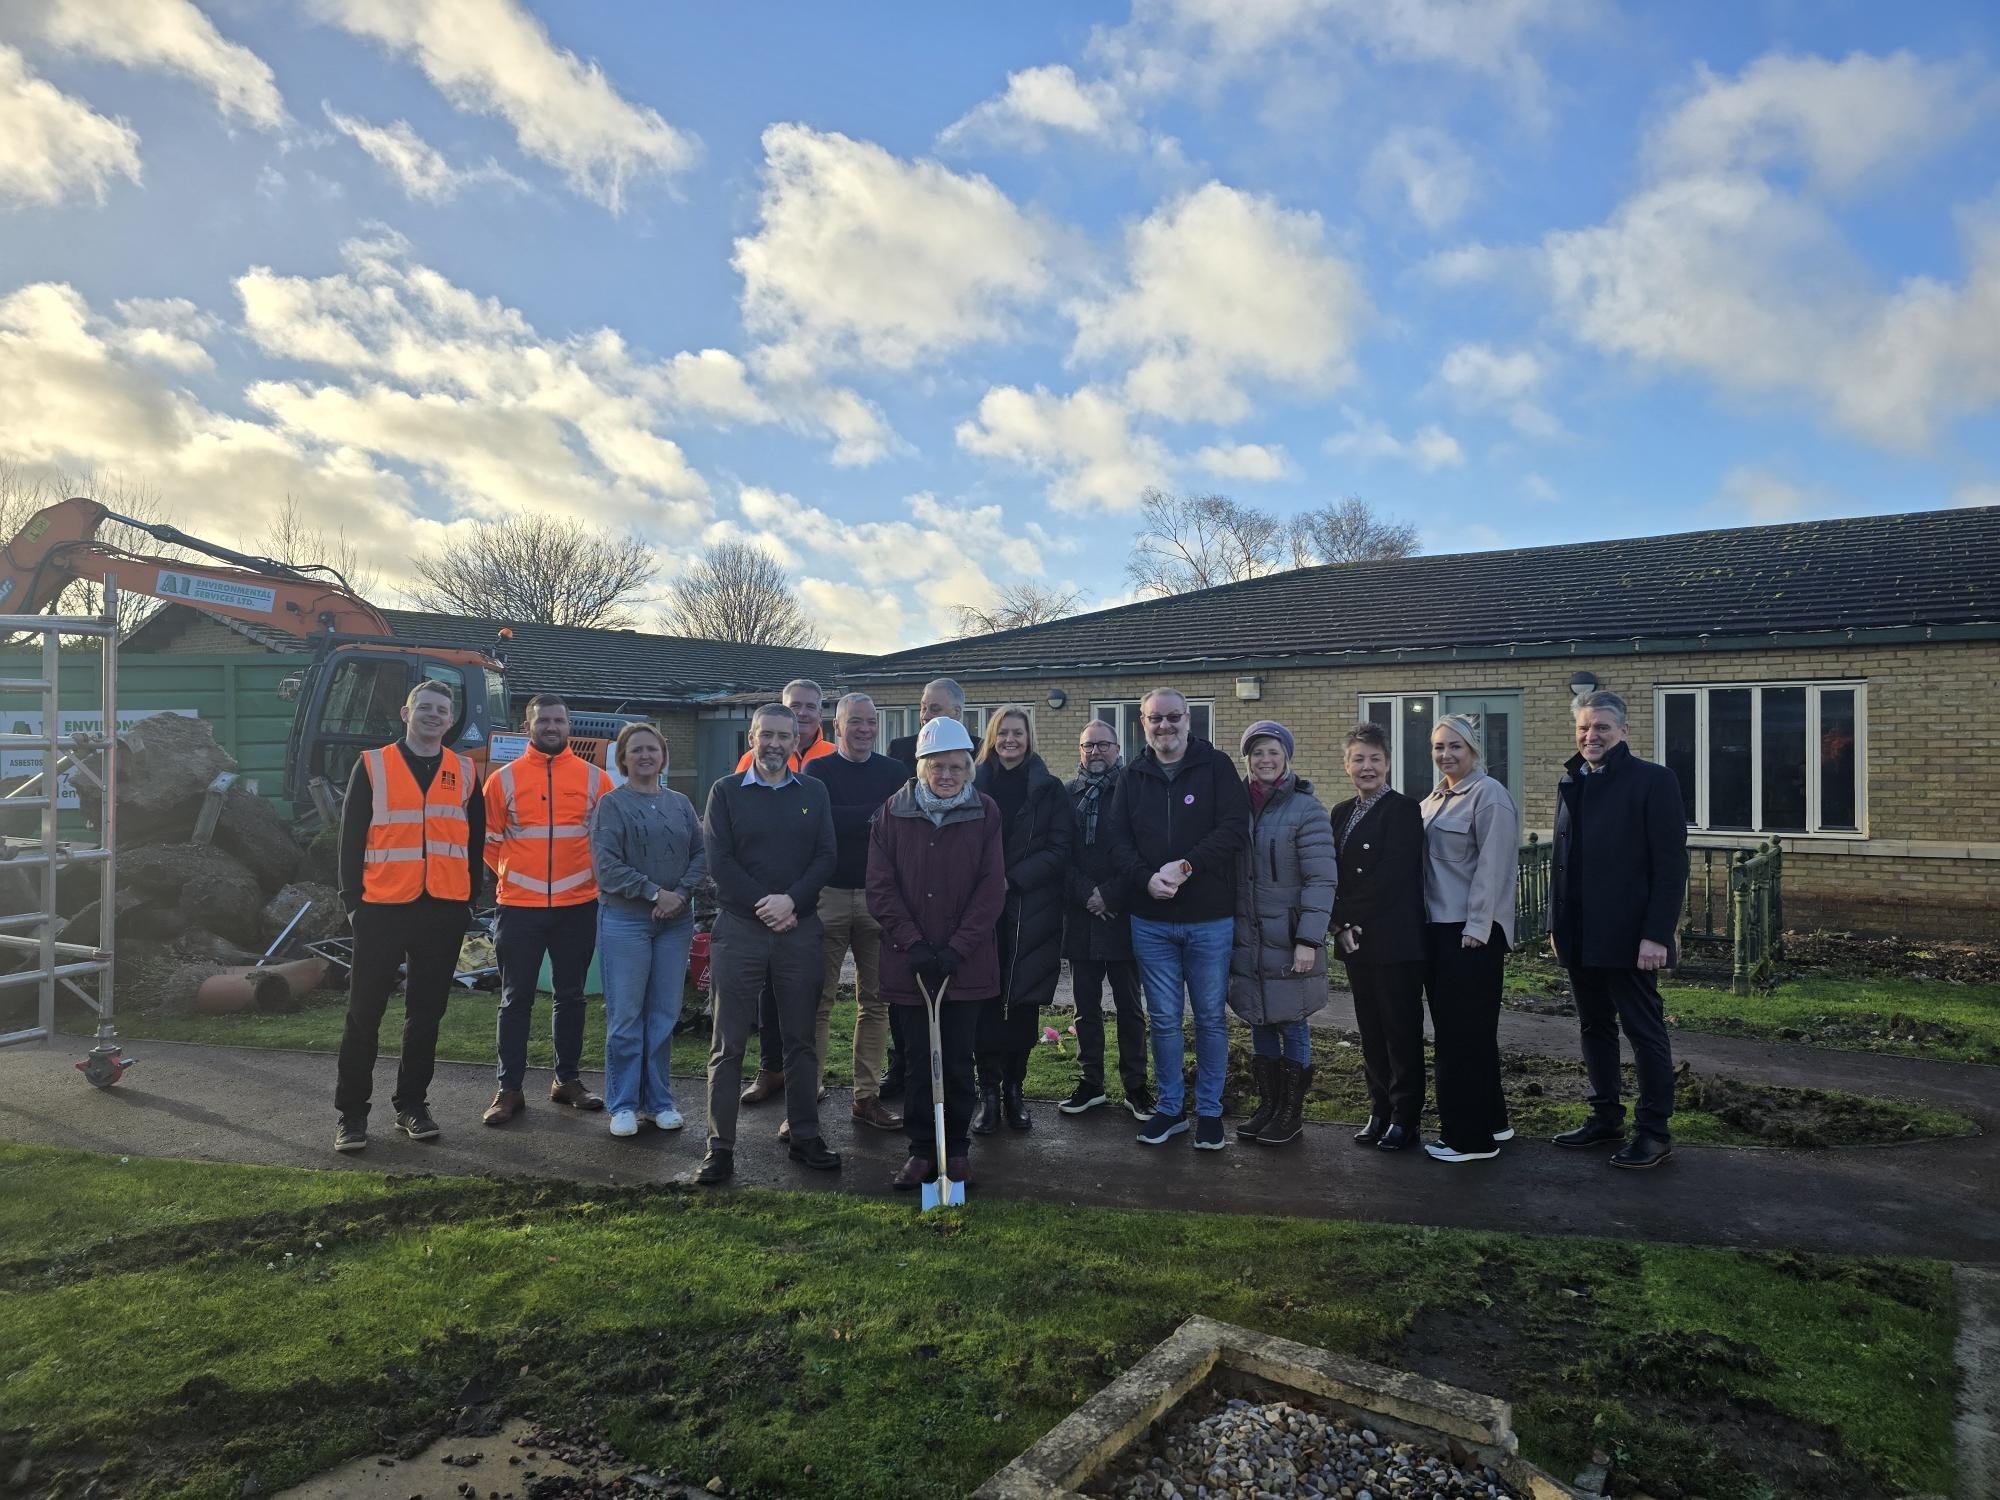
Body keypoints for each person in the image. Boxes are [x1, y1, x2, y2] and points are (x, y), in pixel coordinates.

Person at [332, 680, 483, 1152]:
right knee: (364, 1014)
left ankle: (412, 1105)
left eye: (442, 710)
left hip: (443, 909)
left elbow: (474, 841)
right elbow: (350, 838)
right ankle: (351, 1115)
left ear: (450, 719)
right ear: (406, 713)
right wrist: (352, 902)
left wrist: (469, 902)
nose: (434, 716)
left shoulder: (465, 770)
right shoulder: (373, 765)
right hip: (381, 908)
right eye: (425, 708)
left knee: (426, 1015)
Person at [697, 703, 839, 1185]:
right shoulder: (726, 791)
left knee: (801, 1040)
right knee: (728, 1043)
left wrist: (791, 902)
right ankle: (720, 1147)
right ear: (751, 739)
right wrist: (767, 905)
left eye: (784, 735)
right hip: (741, 930)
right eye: (767, 735)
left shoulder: (814, 792)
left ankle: (805, 1136)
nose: (775, 743)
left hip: (799, 929)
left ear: (796, 741)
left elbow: (826, 856)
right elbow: (720, 861)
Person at [1106, 687, 1251, 1150]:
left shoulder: (1217, 767)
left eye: (1173, 717)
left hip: (1209, 918)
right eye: (1155, 718)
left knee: (1209, 1018)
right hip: (1151, 920)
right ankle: (1171, 1109)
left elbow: (1234, 828)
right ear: (1143, 723)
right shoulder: (1131, 775)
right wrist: (1145, 879)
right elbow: (1117, 841)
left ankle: (1209, 1112)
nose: (1164, 726)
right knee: (1164, 1019)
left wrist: (1187, 866)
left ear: (1188, 719)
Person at [866, 716, 1007, 1190]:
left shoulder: (985, 811)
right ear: (921, 767)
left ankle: (957, 1150)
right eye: (936, 766)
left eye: (955, 766)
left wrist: (956, 948)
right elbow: (880, 887)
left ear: (968, 768)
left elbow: (991, 887)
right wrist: (914, 943)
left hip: (964, 964)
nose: (946, 775)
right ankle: (922, 1150)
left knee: (958, 1060)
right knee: (918, 1062)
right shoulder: (892, 812)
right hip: (910, 962)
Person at [1549, 690, 1689, 1170]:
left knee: (1644, 1032)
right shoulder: (1572, 779)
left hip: (1630, 936)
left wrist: (1657, 934)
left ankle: (1654, 1132)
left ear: (1624, 730)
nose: (1592, 736)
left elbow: (1670, 864)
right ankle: (1605, 1116)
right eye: (1584, 727)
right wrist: (1556, 925)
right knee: (1594, 1027)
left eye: (1602, 727)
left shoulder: (1653, 780)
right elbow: (1562, 861)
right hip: (1579, 933)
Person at [482, 695, 615, 1127]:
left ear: (569, 726)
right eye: (544, 720)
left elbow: (606, 840)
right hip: (519, 907)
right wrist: (518, 877)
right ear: (528, 726)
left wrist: (586, 882)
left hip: (578, 906)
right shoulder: (502, 780)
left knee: (571, 996)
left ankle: (567, 1080)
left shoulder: (596, 779)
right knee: (515, 998)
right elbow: (488, 841)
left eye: (559, 720)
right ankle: (509, 1089)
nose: (552, 727)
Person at [589, 721, 706, 1139]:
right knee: (626, 1015)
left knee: (663, 1014)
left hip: (676, 923)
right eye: (635, 749)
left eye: (652, 749)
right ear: (623, 758)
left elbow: (700, 853)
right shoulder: (611, 805)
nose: (644, 756)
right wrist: (655, 893)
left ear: (663, 756)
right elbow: (607, 867)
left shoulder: (680, 803)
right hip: (626, 921)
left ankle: (658, 1102)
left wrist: (680, 895)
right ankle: (623, 1103)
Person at [1227, 721, 1336, 1148]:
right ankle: (1268, 1106)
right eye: (1257, 753)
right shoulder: (1235, 807)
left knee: (1292, 1022)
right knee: (1259, 1019)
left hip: (1290, 939)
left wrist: (1309, 939)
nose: (1265, 760)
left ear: (1286, 757)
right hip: (1248, 937)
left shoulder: (1306, 810)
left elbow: (1321, 880)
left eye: (1273, 752)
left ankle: (1291, 1112)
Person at [1418, 714, 1520, 1165]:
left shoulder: (1488, 795)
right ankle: (1493, 1121)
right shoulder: (1434, 798)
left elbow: (1494, 867)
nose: (1446, 754)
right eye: (1439, 746)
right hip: (1440, 930)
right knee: (1469, 1033)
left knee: (1461, 1038)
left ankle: (1468, 1139)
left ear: (1474, 749)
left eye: (1455, 746)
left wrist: (1478, 927)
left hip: (1470, 933)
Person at [805, 693, 908, 1133]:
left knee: (876, 1003)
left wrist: (853, 817)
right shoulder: (818, 771)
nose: (864, 729)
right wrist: (877, 813)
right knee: (818, 1002)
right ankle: (806, 1098)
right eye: (855, 722)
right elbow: (821, 822)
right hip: (827, 895)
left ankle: (866, 1098)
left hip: (879, 898)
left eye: (871, 722)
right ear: (837, 726)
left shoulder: (895, 771)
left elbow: (899, 824)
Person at [970, 706, 1071, 1134]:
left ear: (1029, 739)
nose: (1010, 740)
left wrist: (1012, 879)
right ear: (992, 738)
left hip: (1031, 910)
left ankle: (1015, 1090)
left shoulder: (1049, 789)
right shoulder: (972, 784)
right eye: (1003, 732)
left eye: (1018, 733)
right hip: (980, 909)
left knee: (1023, 1005)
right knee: (984, 1003)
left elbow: (1060, 848)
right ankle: (988, 1095)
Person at [737, 678, 837, 1109]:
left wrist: (795, 900)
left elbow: (826, 841)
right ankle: (770, 1068)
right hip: (761, 902)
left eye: (811, 706)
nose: (803, 711)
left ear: (820, 712)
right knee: (766, 988)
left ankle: (804, 1079)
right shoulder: (749, 759)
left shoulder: (830, 757)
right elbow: (738, 833)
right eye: (795, 705)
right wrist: (766, 903)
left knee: (805, 990)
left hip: (810, 897)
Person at [1329, 722, 1429, 1153]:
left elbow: (1391, 876)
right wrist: (1340, 925)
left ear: (1388, 762)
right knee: (1370, 1030)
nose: (1366, 767)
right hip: (1356, 942)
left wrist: (1346, 919)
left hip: (1395, 941)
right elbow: (1330, 874)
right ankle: (1379, 1110)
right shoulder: (1340, 812)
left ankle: (1406, 1118)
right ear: (1346, 764)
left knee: (1399, 1032)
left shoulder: (1404, 810)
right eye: (1358, 759)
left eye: (1375, 759)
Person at [1059, 720, 1152, 1118]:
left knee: (1130, 1008)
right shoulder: (1066, 795)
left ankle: (1136, 1086)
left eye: (1103, 745)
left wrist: (1110, 895)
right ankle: (1090, 1082)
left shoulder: (1133, 789)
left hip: (1123, 914)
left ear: (1117, 749)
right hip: (1081, 916)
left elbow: (1143, 849)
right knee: (1085, 1008)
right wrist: (1089, 896)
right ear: (1080, 751)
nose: (1095, 752)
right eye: (1088, 745)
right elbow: (1059, 853)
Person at [887, 677, 965, 775]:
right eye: (923, 708)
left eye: (935, 709)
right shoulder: (899, 749)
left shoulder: (979, 752)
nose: (925, 716)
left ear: (956, 712)